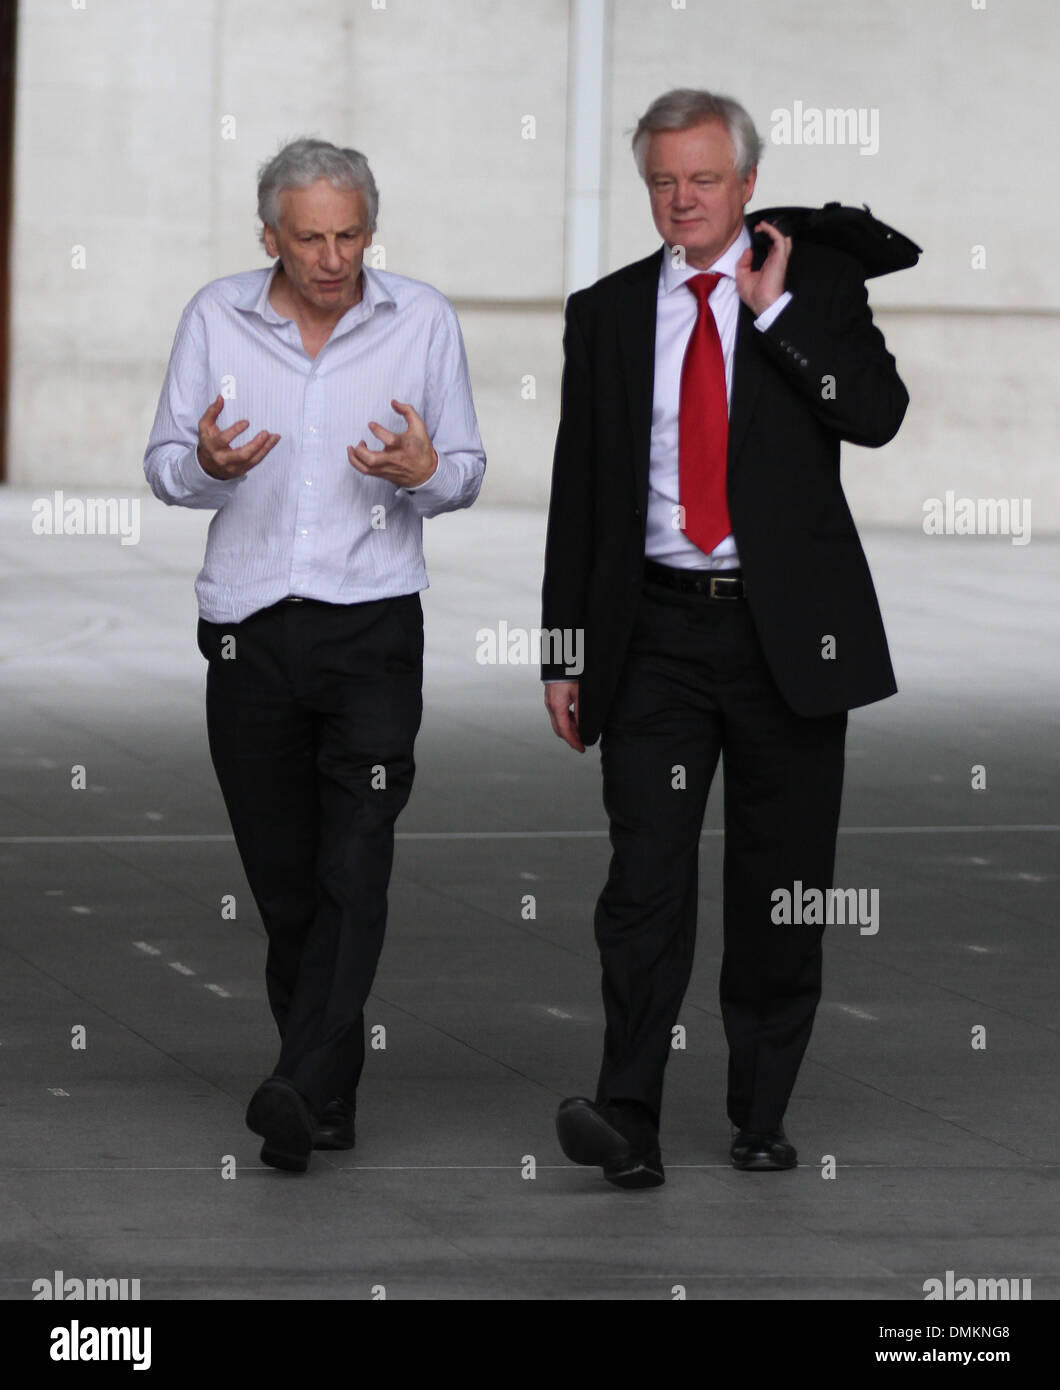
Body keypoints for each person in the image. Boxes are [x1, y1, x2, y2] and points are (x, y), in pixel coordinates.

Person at [541, 89, 908, 1187]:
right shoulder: (604, 313)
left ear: (746, 185)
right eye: (662, 180)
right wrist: (565, 652)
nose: (682, 199)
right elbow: (580, 497)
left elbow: (875, 414)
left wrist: (774, 315)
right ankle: (629, 1115)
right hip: (652, 632)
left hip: (787, 638)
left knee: (780, 888)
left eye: (703, 178)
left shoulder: (817, 286)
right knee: (642, 881)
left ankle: (760, 1111)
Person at [144, 138, 485, 1172]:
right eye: (309, 239)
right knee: (289, 881)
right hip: (250, 630)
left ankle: (299, 1086)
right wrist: (204, 463)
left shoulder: (420, 319)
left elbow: (465, 468)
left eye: (348, 236)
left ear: (368, 231)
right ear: (270, 238)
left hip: (373, 631)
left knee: (356, 860)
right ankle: (320, 1089)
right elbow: (163, 465)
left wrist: (428, 471)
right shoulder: (216, 316)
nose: (332, 259)